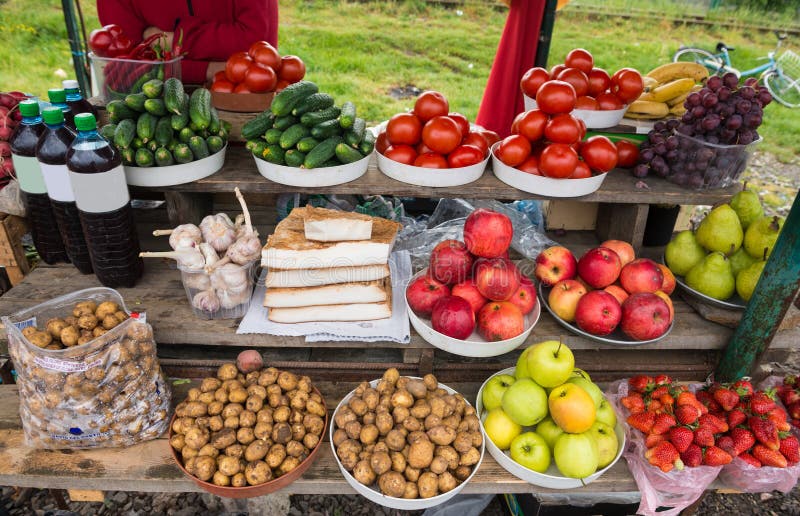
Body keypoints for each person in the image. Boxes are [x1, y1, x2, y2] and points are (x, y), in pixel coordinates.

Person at [97, 0, 279, 84]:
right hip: (152, 106)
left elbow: (259, 46)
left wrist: (174, 40)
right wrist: (210, 70)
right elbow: (127, 66)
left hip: (244, 99)